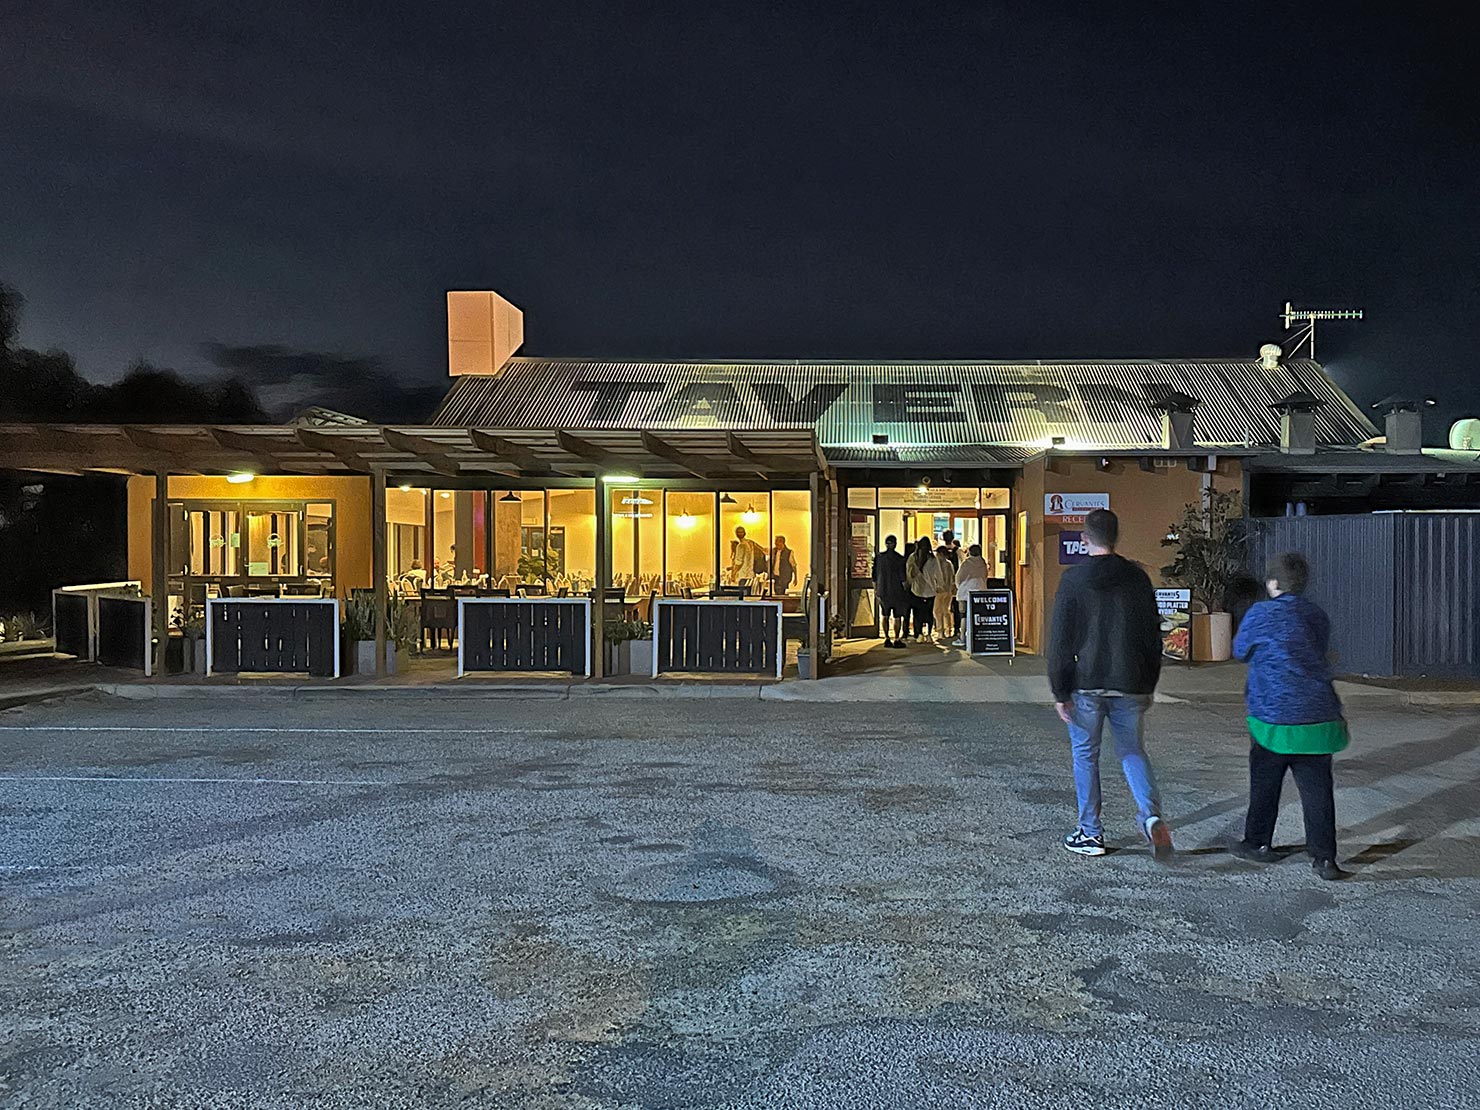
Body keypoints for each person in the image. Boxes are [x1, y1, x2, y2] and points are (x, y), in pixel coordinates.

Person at [1047, 508, 1172, 861]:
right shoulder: (1137, 578)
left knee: (1086, 755)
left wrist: (1060, 690)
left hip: (1086, 684)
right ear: (1116, 537)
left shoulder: (1073, 580)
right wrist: (1149, 683)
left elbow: (1061, 641)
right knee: (1132, 751)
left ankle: (1090, 832)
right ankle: (1151, 816)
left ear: (1084, 539)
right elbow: (1152, 636)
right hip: (1130, 682)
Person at [1231, 552, 1349, 881]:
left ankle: (1257, 843)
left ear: (1273, 583)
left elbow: (1239, 650)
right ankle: (1325, 859)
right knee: (1317, 790)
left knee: (1265, 783)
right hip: (1318, 715)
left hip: (1273, 716)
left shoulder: (1260, 613)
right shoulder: (1317, 615)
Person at [873, 535, 910, 648]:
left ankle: (887, 638)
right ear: (895, 544)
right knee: (897, 616)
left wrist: (876, 590)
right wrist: (906, 589)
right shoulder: (899, 559)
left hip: (883, 591)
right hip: (897, 591)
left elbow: (874, 575)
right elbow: (903, 578)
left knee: (885, 615)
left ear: (886, 544)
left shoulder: (879, 558)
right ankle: (897, 638)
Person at [954, 543, 991, 645]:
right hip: (980, 591)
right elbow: (985, 576)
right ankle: (978, 637)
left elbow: (959, 578)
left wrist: (959, 586)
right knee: (978, 615)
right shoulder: (983, 563)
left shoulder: (966, 564)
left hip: (965, 592)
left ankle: (962, 638)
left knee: (964, 615)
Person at [906, 536, 942, 642]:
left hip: (917, 589)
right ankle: (929, 634)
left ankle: (919, 634)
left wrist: (909, 582)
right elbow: (938, 574)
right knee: (929, 613)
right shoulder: (932, 559)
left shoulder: (913, 558)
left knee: (917, 614)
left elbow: (908, 573)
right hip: (930, 590)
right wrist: (940, 585)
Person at [933, 543, 957, 641]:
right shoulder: (949, 564)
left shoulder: (936, 564)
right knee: (946, 610)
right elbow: (952, 577)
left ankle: (941, 631)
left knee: (937, 611)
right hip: (948, 591)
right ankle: (948, 630)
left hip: (939, 591)